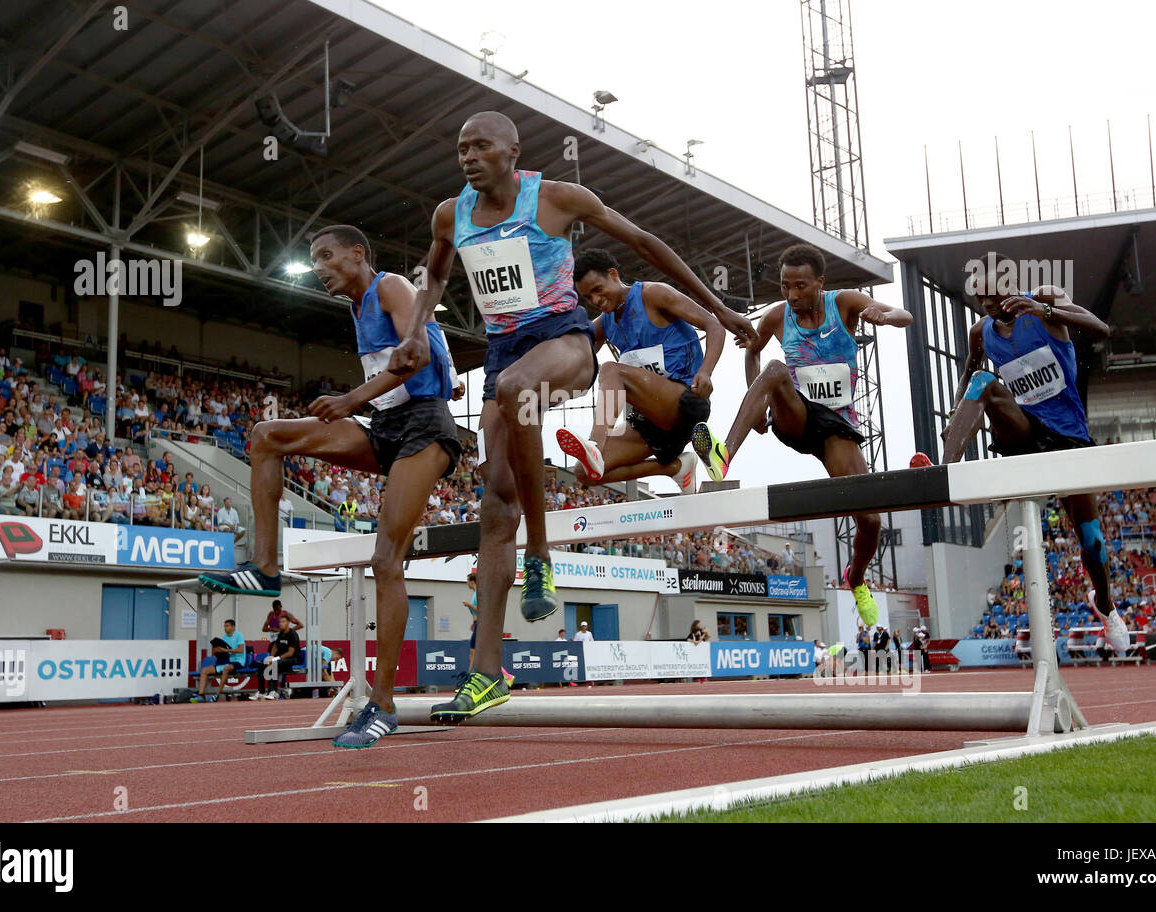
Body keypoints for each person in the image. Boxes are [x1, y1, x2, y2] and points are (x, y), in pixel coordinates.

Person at [385, 111, 755, 723]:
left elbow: (645, 245)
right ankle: (486, 676)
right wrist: (419, 327)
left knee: (514, 386)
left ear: (512, 150)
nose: (467, 157)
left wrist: (719, 308)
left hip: (565, 342)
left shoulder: (556, 198)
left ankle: (541, 552)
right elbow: (437, 269)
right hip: (507, 350)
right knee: (492, 503)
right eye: (460, 148)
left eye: (480, 146)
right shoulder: (450, 215)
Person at [202, 225, 462, 749]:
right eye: (313, 259)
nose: (318, 266)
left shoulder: (392, 287)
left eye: (325, 256)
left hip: (427, 427)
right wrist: (360, 406)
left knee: (387, 559)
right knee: (266, 437)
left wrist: (350, 400)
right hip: (385, 429)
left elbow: (420, 359)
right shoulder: (357, 306)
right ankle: (267, 567)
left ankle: (383, 705)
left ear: (357, 254)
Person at [696, 243, 912, 627]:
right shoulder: (778, 317)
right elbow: (753, 354)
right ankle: (722, 454)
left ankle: (856, 578)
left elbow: (905, 315)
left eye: (800, 286)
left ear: (819, 283)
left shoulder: (843, 303)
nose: (792, 295)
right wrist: (759, 404)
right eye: (785, 286)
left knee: (871, 521)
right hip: (795, 416)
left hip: (837, 425)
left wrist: (886, 316)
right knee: (777, 369)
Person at [933, 252, 1129, 655]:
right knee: (986, 382)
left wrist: (1043, 308)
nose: (987, 304)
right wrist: (956, 416)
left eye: (994, 293)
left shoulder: (1044, 300)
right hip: (1024, 429)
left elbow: (1102, 329)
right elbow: (971, 374)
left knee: (1091, 541)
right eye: (979, 297)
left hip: (1069, 435)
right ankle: (942, 470)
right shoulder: (980, 332)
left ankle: (1106, 603)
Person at [557, 248, 726, 494]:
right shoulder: (605, 322)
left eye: (597, 290)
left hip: (686, 403)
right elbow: (573, 348)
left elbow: (714, 326)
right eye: (587, 298)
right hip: (652, 423)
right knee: (586, 472)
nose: (595, 301)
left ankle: (594, 443)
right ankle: (676, 468)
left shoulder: (653, 295)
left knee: (612, 370)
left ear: (613, 275)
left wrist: (706, 371)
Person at [196, 619, 247, 702]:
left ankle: (217, 694)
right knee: (204, 670)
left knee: (226, 668)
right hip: (226, 661)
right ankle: (201, 695)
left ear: (233, 627)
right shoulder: (224, 638)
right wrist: (217, 650)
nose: (225, 628)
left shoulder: (239, 635)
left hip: (238, 661)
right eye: (224, 626)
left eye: (227, 626)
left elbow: (241, 650)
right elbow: (220, 651)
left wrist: (226, 650)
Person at [252, 615, 301, 700]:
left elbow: (290, 653)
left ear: (288, 623)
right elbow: (275, 646)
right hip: (280, 660)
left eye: (283, 622)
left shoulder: (293, 634)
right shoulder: (281, 634)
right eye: (280, 622)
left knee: (274, 664)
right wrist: (271, 656)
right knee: (261, 665)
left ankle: (273, 691)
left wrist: (275, 659)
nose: (281, 624)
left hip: (292, 660)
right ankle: (261, 692)